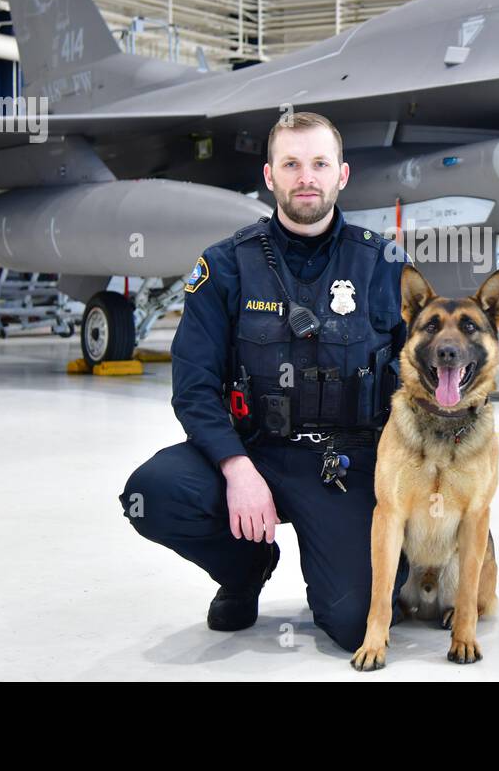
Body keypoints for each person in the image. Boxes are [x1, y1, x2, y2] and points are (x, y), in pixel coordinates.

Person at [119, 111, 411, 653]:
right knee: (153, 493)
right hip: (254, 452)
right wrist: (235, 466)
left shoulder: (384, 263)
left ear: (341, 175)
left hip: (345, 464)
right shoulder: (225, 266)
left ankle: (360, 561)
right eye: (292, 164)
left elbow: (415, 377)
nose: (307, 177)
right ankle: (246, 567)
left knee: (356, 624)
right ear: (269, 176)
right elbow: (194, 386)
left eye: (320, 163)